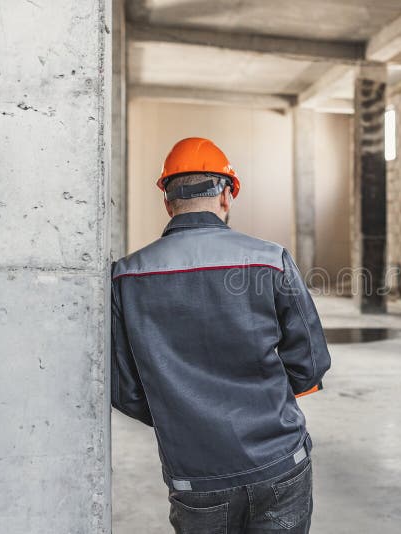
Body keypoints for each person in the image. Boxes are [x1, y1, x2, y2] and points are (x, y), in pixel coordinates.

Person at [111, 137, 331, 533]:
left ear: (167, 201)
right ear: (227, 195)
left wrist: (181, 415)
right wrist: (265, 405)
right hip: (278, 460)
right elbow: (311, 363)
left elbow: (124, 390)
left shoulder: (125, 276)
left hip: (195, 475)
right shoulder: (271, 260)